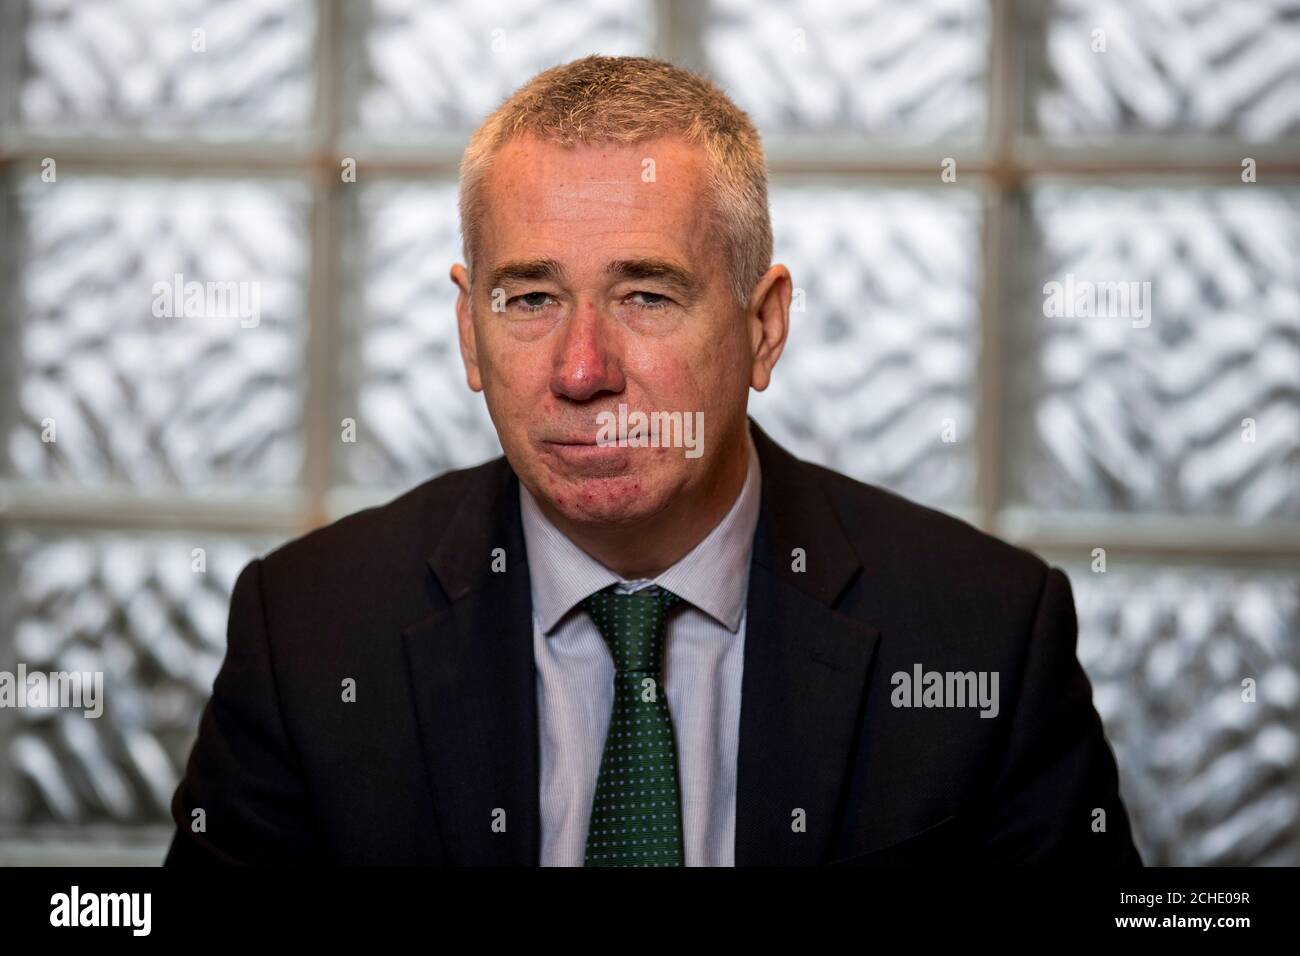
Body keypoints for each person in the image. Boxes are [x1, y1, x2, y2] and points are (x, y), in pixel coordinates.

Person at [164, 55, 1141, 866]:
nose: (583, 370)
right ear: (469, 332)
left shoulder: (985, 634)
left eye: (646, 295)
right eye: (531, 299)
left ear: (763, 327)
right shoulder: (307, 633)